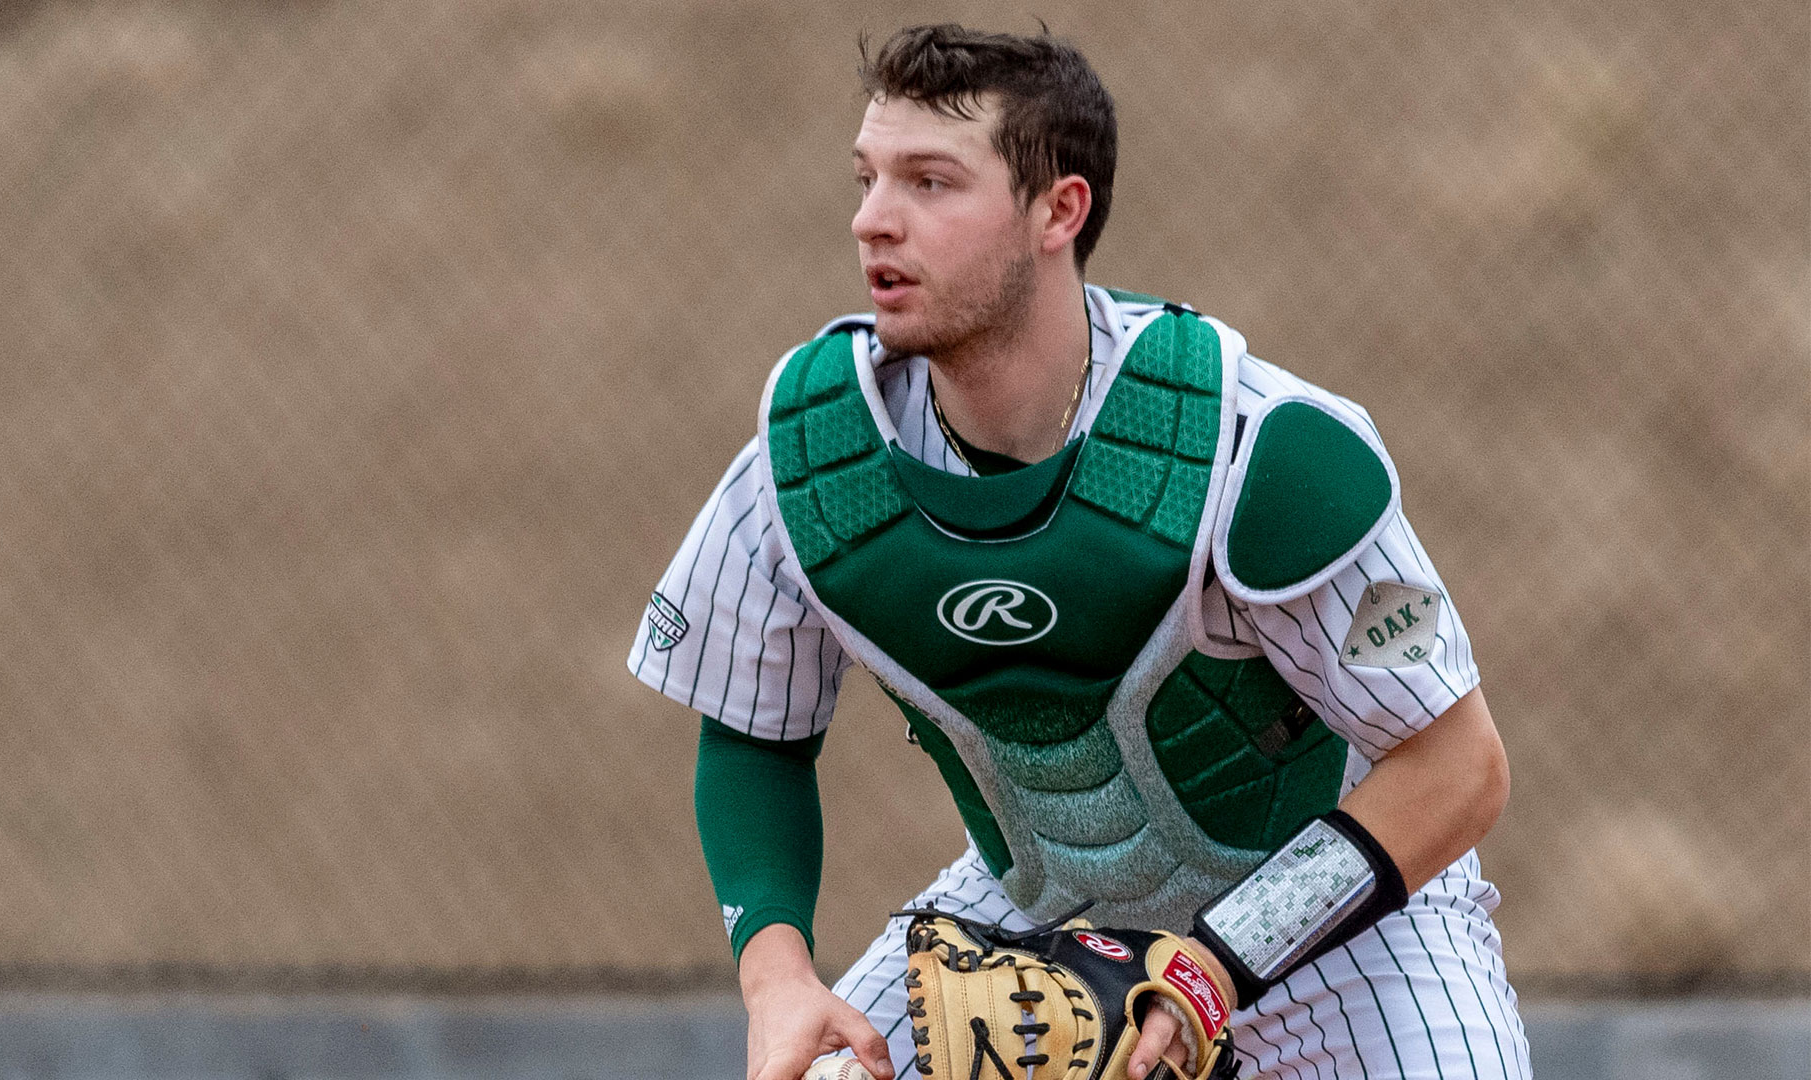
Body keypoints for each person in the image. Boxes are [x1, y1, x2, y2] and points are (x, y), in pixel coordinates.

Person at [629, 23, 1529, 1080]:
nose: (874, 221)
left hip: (1347, 937)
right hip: (1042, 923)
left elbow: (1459, 767)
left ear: (1059, 209)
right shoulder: (818, 461)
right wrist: (777, 976)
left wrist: (1219, 966)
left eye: (930, 182)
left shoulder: (1258, 450)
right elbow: (752, 734)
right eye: (868, 179)